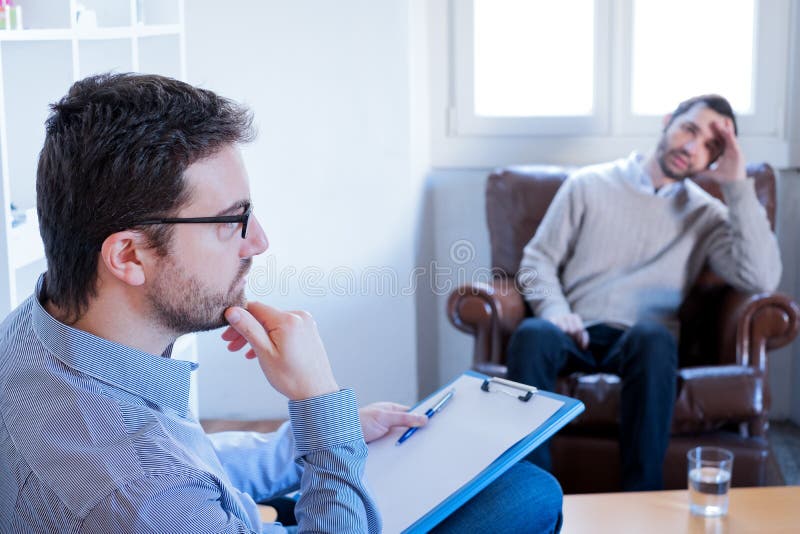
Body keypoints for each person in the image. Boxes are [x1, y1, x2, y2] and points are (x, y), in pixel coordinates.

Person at [0, 73, 563, 533]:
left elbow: (184, 461)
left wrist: (310, 440)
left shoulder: (35, 331)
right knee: (530, 494)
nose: (259, 242)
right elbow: (163, 486)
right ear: (128, 255)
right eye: (231, 221)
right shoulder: (147, 496)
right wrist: (319, 400)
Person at [507, 94, 782, 491]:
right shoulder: (588, 184)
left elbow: (761, 278)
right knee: (532, 335)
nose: (692, 147)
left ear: (714, 161)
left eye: (710, 146)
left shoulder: (707, 216)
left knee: (653, 336)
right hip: (573, 331)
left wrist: (738, 186)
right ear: (669, 121)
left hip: (641, 345)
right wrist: (554, 310)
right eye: (689, 129)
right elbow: (536, 260)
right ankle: (532, 496)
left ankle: (641, 500)